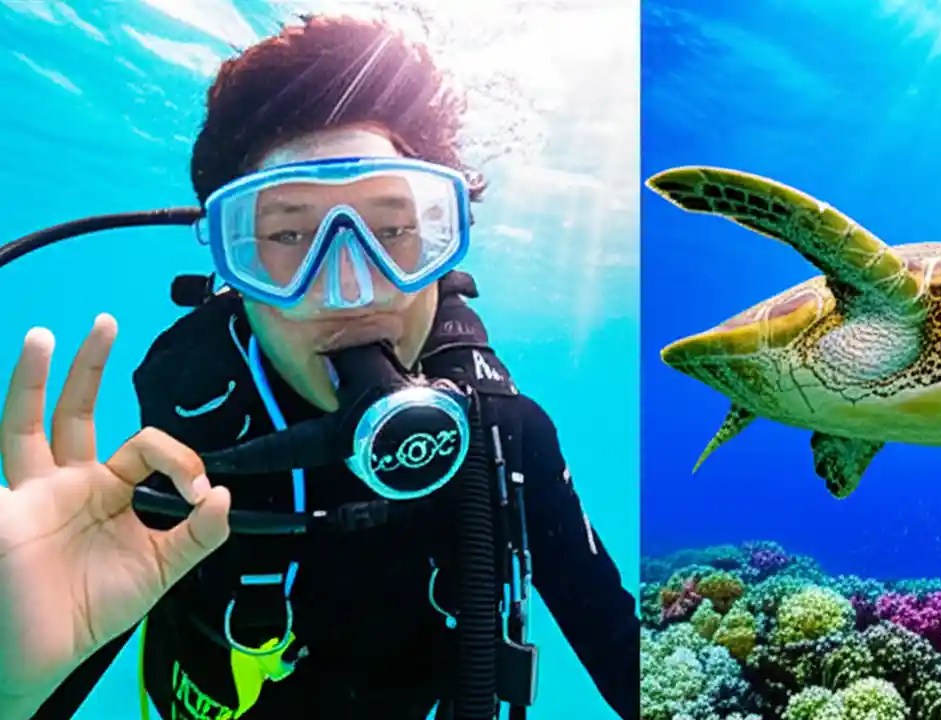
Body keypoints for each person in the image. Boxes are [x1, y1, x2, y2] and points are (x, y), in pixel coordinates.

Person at [0, 14, 638, 720]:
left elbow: (627, 656)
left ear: (443, 243)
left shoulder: (501, 439)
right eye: (287, 236)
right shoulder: (187, 445)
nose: (351, 290)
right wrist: (9, 686)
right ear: (233, 270)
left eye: (392, 231)